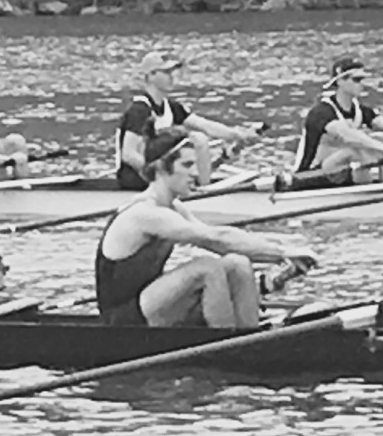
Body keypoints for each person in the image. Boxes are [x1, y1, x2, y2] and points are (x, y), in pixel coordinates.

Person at [95, 128, 319, 328]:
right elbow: (216, 236)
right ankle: (226, 343)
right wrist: (282, 252)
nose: (195, 173)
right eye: (187, 165)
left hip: (152, 303)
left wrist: (279, 259)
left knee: (236, 263)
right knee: (206, 268)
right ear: (161, 168)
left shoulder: (175, 208)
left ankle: (249, 335)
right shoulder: (144, 213)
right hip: (122, 319)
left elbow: (217, 243)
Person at [115, 54, 248, 188]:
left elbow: (205, 125)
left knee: (198, 138)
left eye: (172, 72)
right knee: (195, 138)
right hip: (135, 179)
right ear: (151, 76)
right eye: (166, 72)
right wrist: (159, 174)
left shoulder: (172, 108)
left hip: (158, 178)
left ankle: (204, 188)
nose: (172, 77)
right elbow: (128, 154)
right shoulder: (139, 110)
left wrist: (237, 134)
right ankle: (203, 190)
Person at [295, 56, 383, 181]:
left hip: (339, 172)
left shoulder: (359, 110)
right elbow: (348, 135)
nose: (362, 83)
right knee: (356, 149)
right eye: (356, 79)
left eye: (363, 79)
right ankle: (375, 194)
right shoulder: (321, 112)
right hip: (309, 176)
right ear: (340, 82)